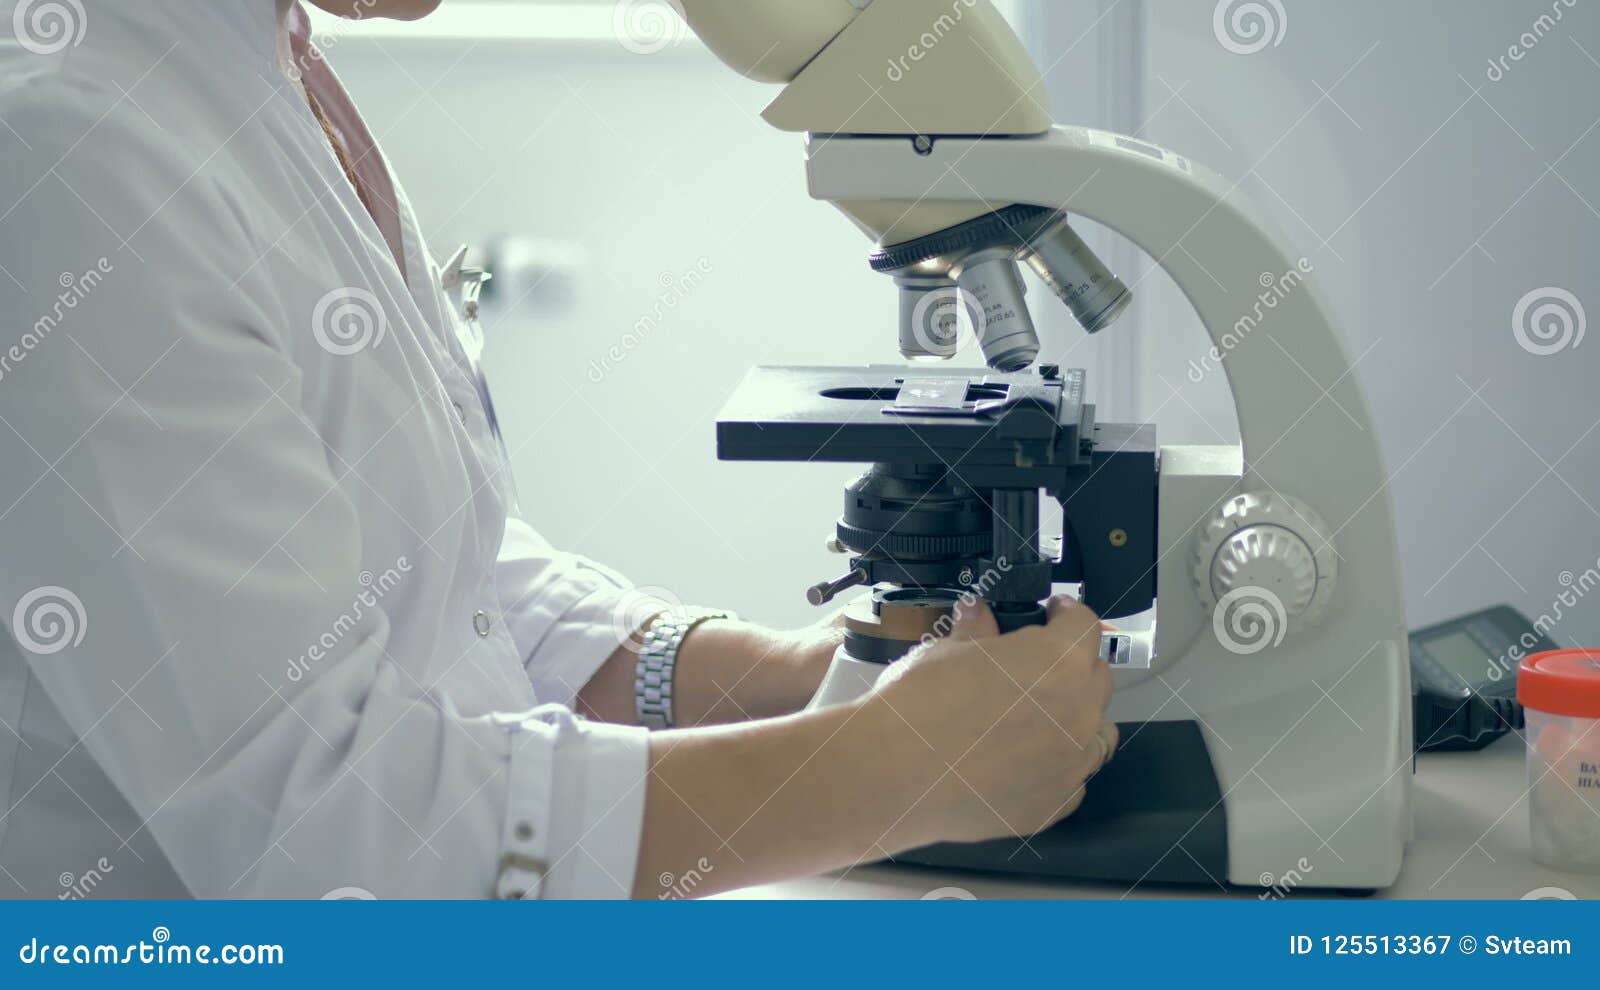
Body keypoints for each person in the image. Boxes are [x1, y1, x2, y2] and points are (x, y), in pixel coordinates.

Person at [0, 0, 1116, 900]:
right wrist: (890, 770)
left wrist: (780, 681)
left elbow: (428, 574)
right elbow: (328, 844)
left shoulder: (264, 53)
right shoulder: (76, 143)